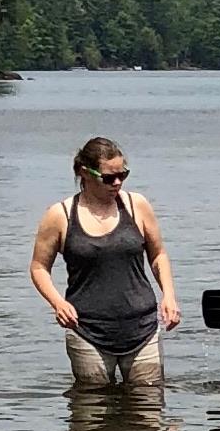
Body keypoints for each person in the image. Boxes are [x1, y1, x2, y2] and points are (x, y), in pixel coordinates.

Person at [29, 136, 181, 386]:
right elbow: (38, 268)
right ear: (84, 173)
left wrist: (169, 296)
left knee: (149, 408)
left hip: (142, 328)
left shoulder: (137, 205)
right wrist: (57, 303)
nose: (117, 183)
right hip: (88, 330)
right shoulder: (60, 215)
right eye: (109, 177)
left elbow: (159, 255)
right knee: (91, 413)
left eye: (123, 175)